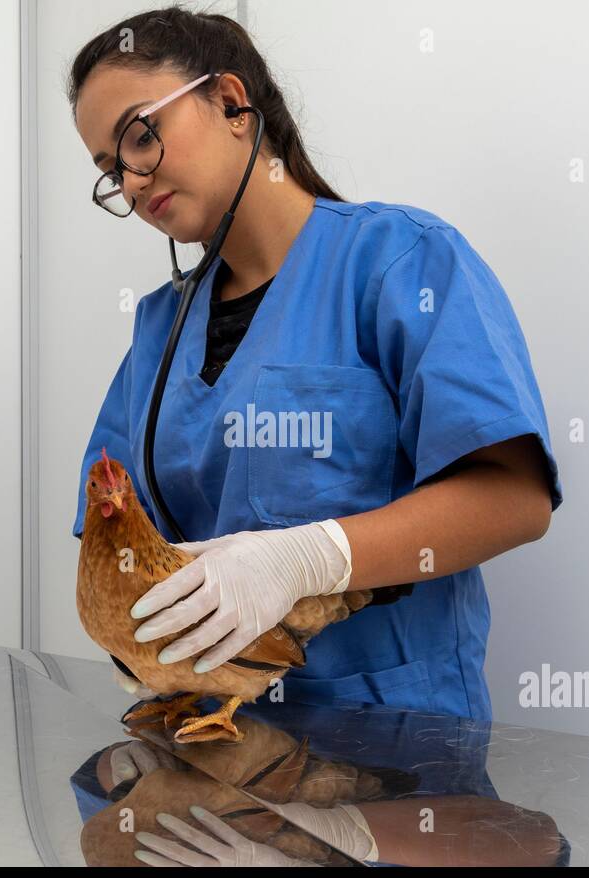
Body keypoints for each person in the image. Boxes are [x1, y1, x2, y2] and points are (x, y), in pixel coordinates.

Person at [68, 6, 563, 725]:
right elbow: (105, 528)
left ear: (233, 102)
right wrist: (139, 638)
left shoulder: (402, 261)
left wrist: (303, 559)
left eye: (141, 136)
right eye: (111, 171)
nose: (135, 182)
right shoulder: (160, 327)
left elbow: (515, 501)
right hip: (215, 756)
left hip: (395, 763)